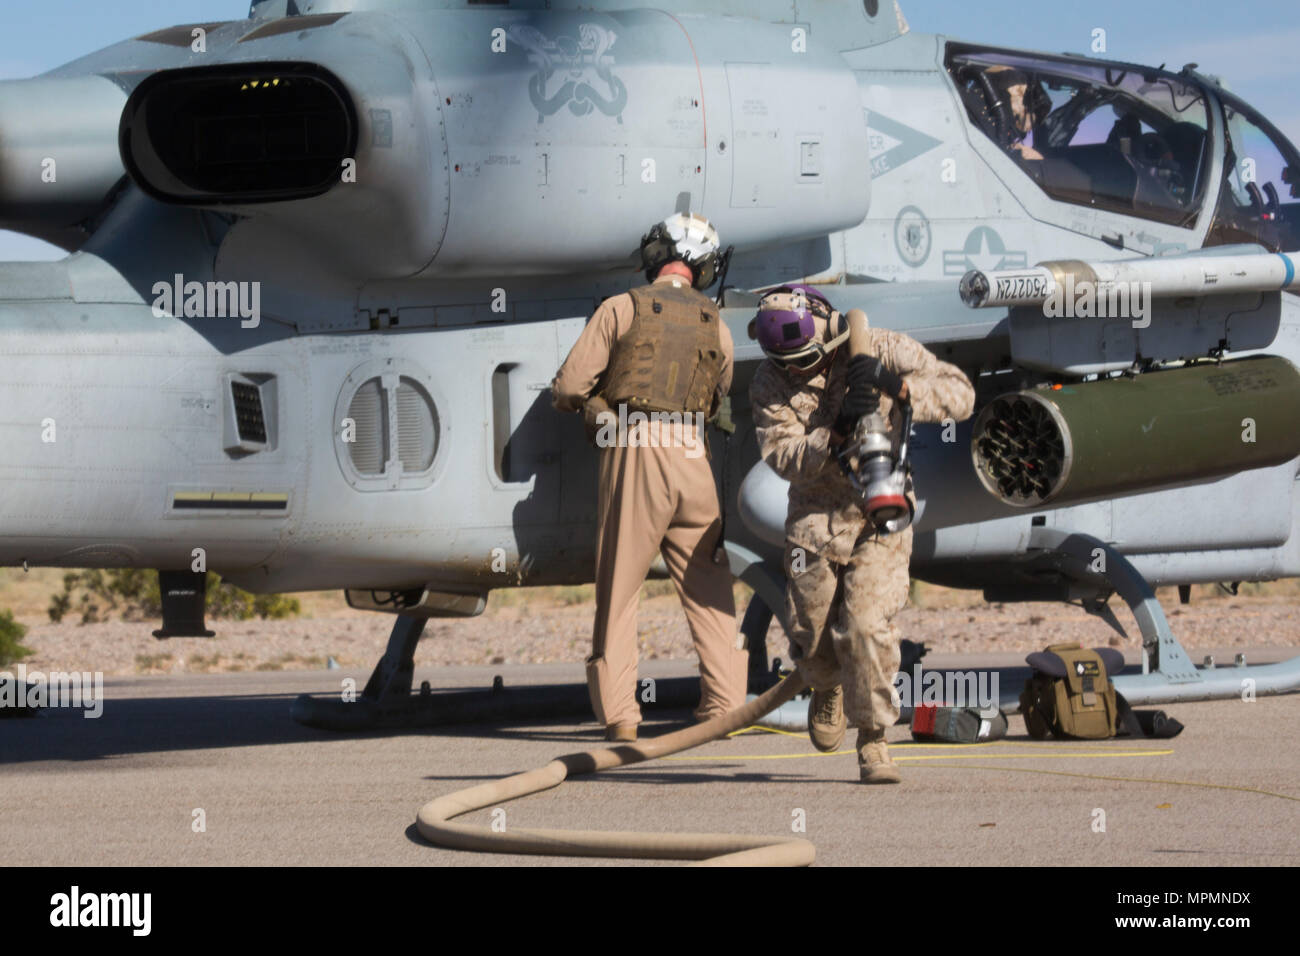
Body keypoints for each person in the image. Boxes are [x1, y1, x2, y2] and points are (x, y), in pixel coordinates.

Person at [748, 286, 974, 782]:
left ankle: (873, 741)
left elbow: (962, 393)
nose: (795, 373)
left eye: (803, 363)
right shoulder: (769, 381)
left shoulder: (882, 348)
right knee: (812, 638)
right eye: (786, 365)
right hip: (815, 525)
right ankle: (826, 684)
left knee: (868, 627)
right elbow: (781, 455)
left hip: (881, 510)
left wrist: (900, 387)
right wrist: (834, 437)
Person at [551, 212, 747, 742]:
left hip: (634, 444)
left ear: (658, 255)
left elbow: (570, 387)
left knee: (619, 589)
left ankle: (621, 717)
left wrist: (595, 408)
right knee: (709, 587)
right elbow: (720, 389)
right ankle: (726, 706)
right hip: (694, 457)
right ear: (702, 266)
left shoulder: (621, 307)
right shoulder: (716, 324)